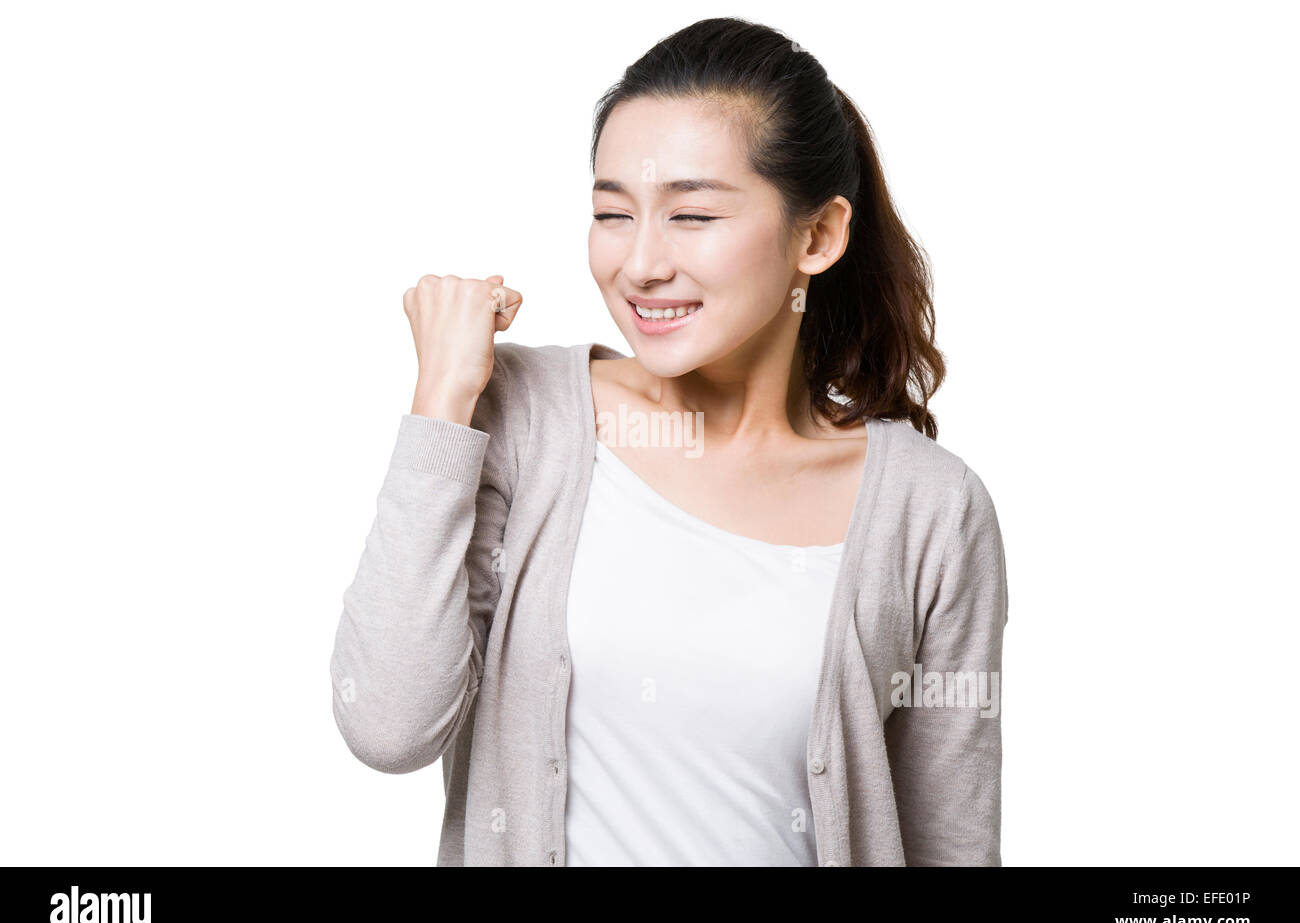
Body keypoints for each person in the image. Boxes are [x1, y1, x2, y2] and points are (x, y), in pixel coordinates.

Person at [329, 16, 1009, 866]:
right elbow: (389, 726)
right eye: (613, 213)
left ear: (818, 236)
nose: (641, 262)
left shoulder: (931, 509)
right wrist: (439, 407)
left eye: (691, 215)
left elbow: (951, 840)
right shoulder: (522, 419)